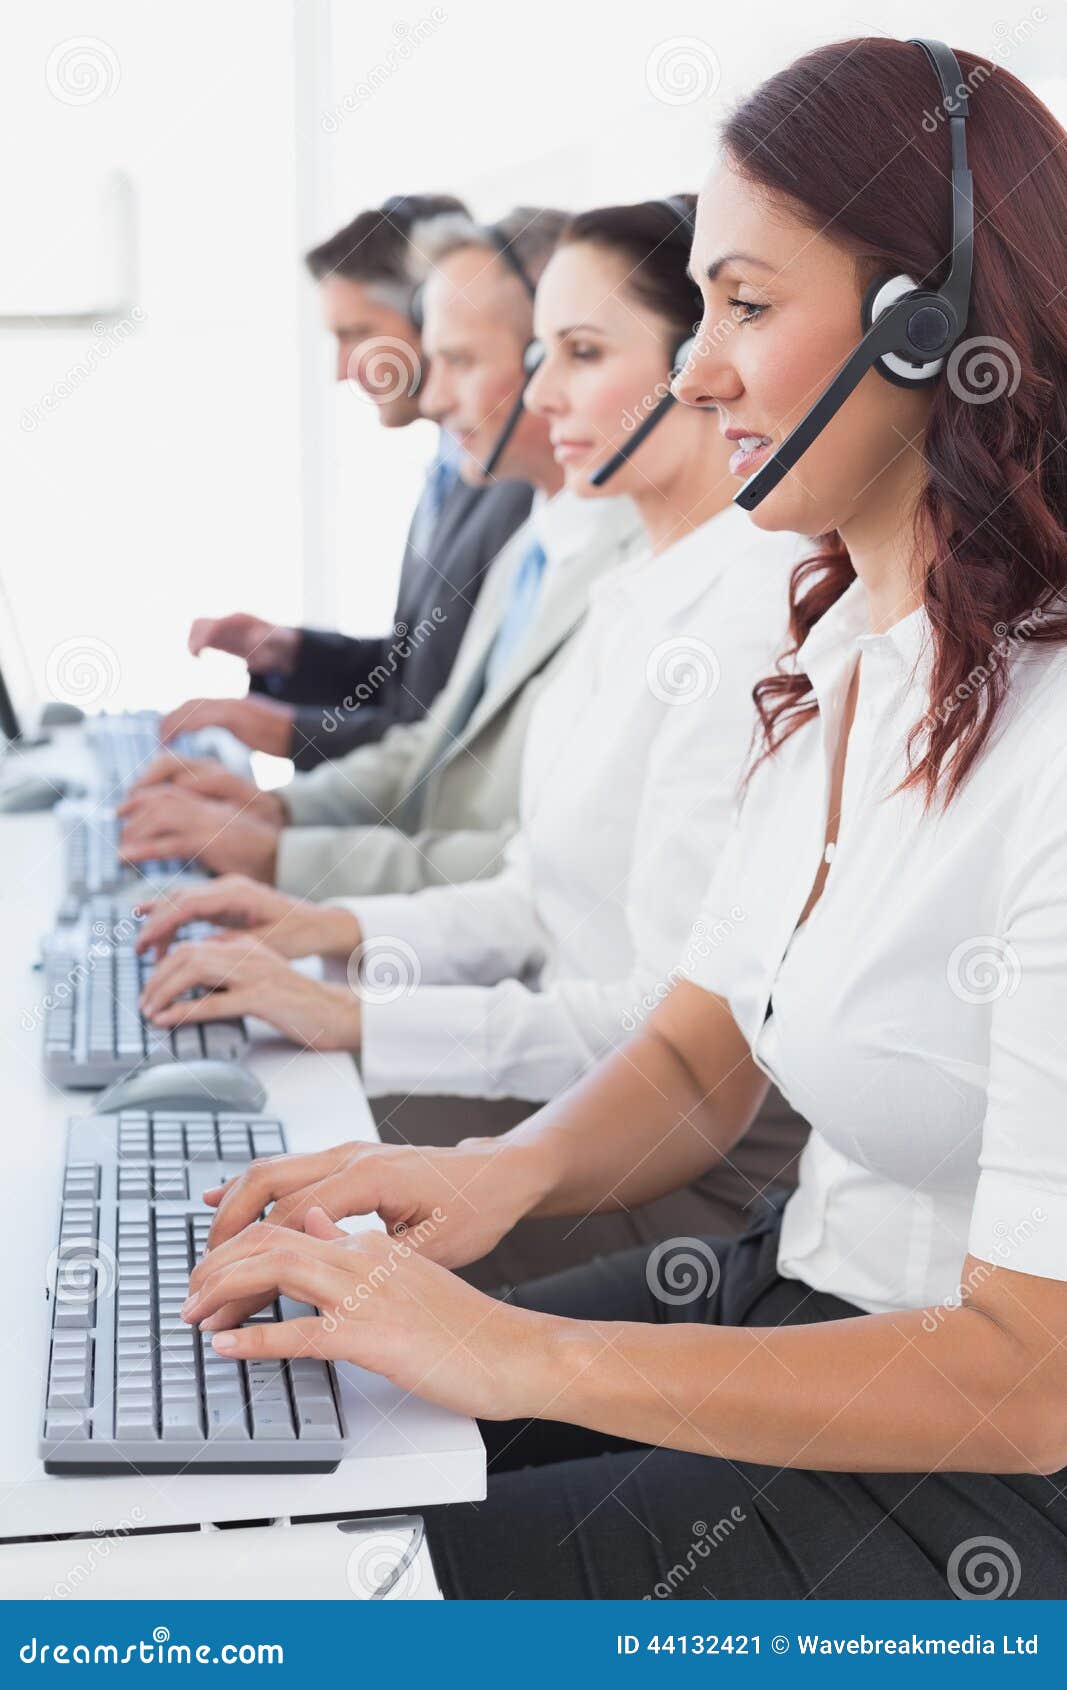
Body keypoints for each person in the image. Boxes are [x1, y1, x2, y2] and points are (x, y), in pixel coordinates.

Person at [177, 39, 1067, 1598]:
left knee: (345, 1596)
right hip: (790, 1288)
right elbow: (691, 1052)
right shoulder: (844, 651)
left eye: (742, 304)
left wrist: (518, 1351)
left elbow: (1024, 1371)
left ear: (920, 331)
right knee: (291, 1467)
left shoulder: (1045, 739)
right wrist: (488, 1180)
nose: (692, 369)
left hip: (984, 1466)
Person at [134, 198, 806, 1279]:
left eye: (580, 354)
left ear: (699, 367)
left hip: (665, 1170)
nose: (539, 395)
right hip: (569, 1082)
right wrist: (321, 925)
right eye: (542, 354)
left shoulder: (744, 626)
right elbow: (525, 892)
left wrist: (352, 1008)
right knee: (213, 1175)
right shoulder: (633, 591)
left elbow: (656, 1031)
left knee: (238, 1225)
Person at [118, 208, 644, 900]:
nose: (424, 383)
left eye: (359, 335)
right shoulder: (526, 528)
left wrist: (285, 842)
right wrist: (279, 804)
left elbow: (521, 838)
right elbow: (430, 728)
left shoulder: (580, 539)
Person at [163, 194, 533, 768]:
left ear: (427, 313)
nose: (341, 370)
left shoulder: (517, 482)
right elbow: (421, 669)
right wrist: (293, 654)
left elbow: (447, 738)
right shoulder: (452, 467)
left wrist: (285, 732)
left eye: (356, 332)